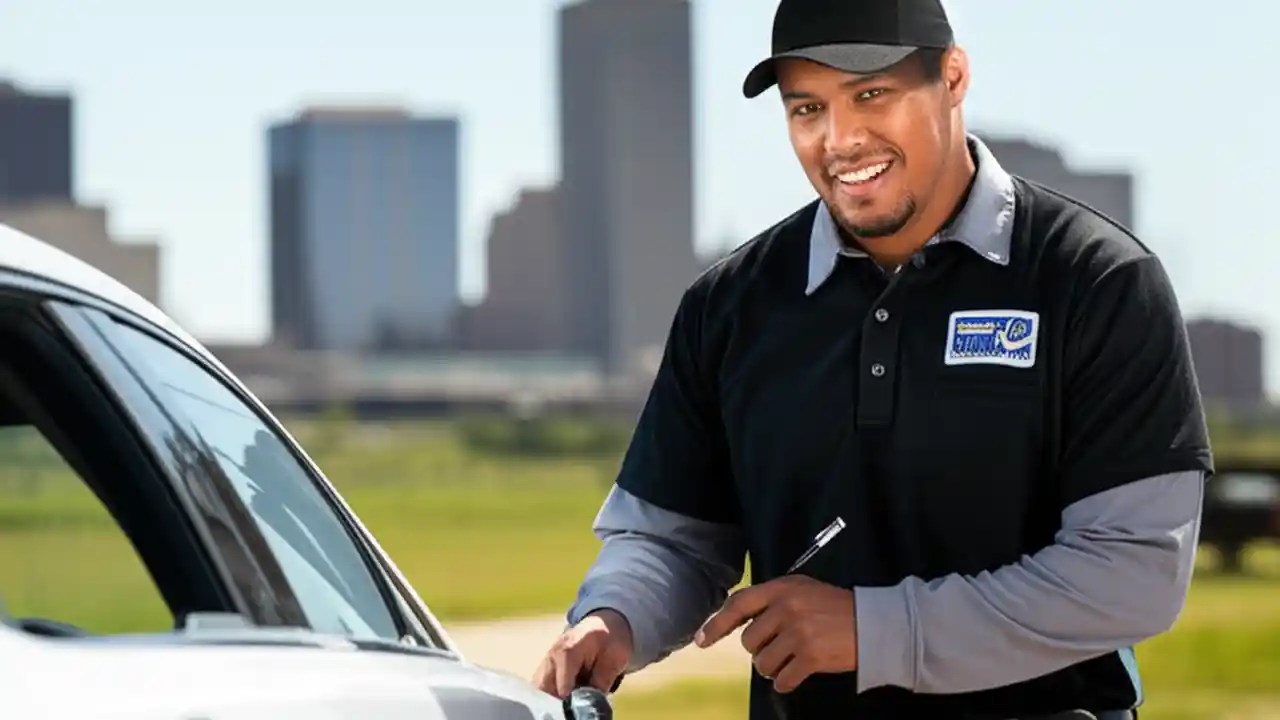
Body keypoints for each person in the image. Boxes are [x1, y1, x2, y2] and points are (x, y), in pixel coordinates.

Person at [532, 0, 1213, 718]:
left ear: (953, 77)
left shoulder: (1098, 282)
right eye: (806, 109)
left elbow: (1134, 572)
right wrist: (614, 617)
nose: (840, 139)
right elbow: (673, 538)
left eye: (870, 95)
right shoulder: (730, 305)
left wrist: (875, 629)